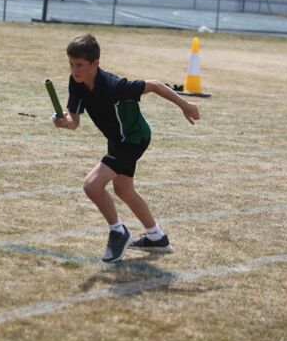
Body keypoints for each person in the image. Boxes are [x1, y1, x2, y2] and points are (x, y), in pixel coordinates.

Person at [53, 34, 201, 264]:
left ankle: (118, 232)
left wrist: (185, 105)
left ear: (95, 63)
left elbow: (155, 85)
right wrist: (63, 122)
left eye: (79, 65)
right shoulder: (76, 83)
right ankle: (156, 237)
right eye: (71, 64)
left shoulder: (116, 86)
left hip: (133, 139)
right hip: (117, 140)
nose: (74, 70)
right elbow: (74, 122)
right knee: (123, 189)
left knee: (92, 185)